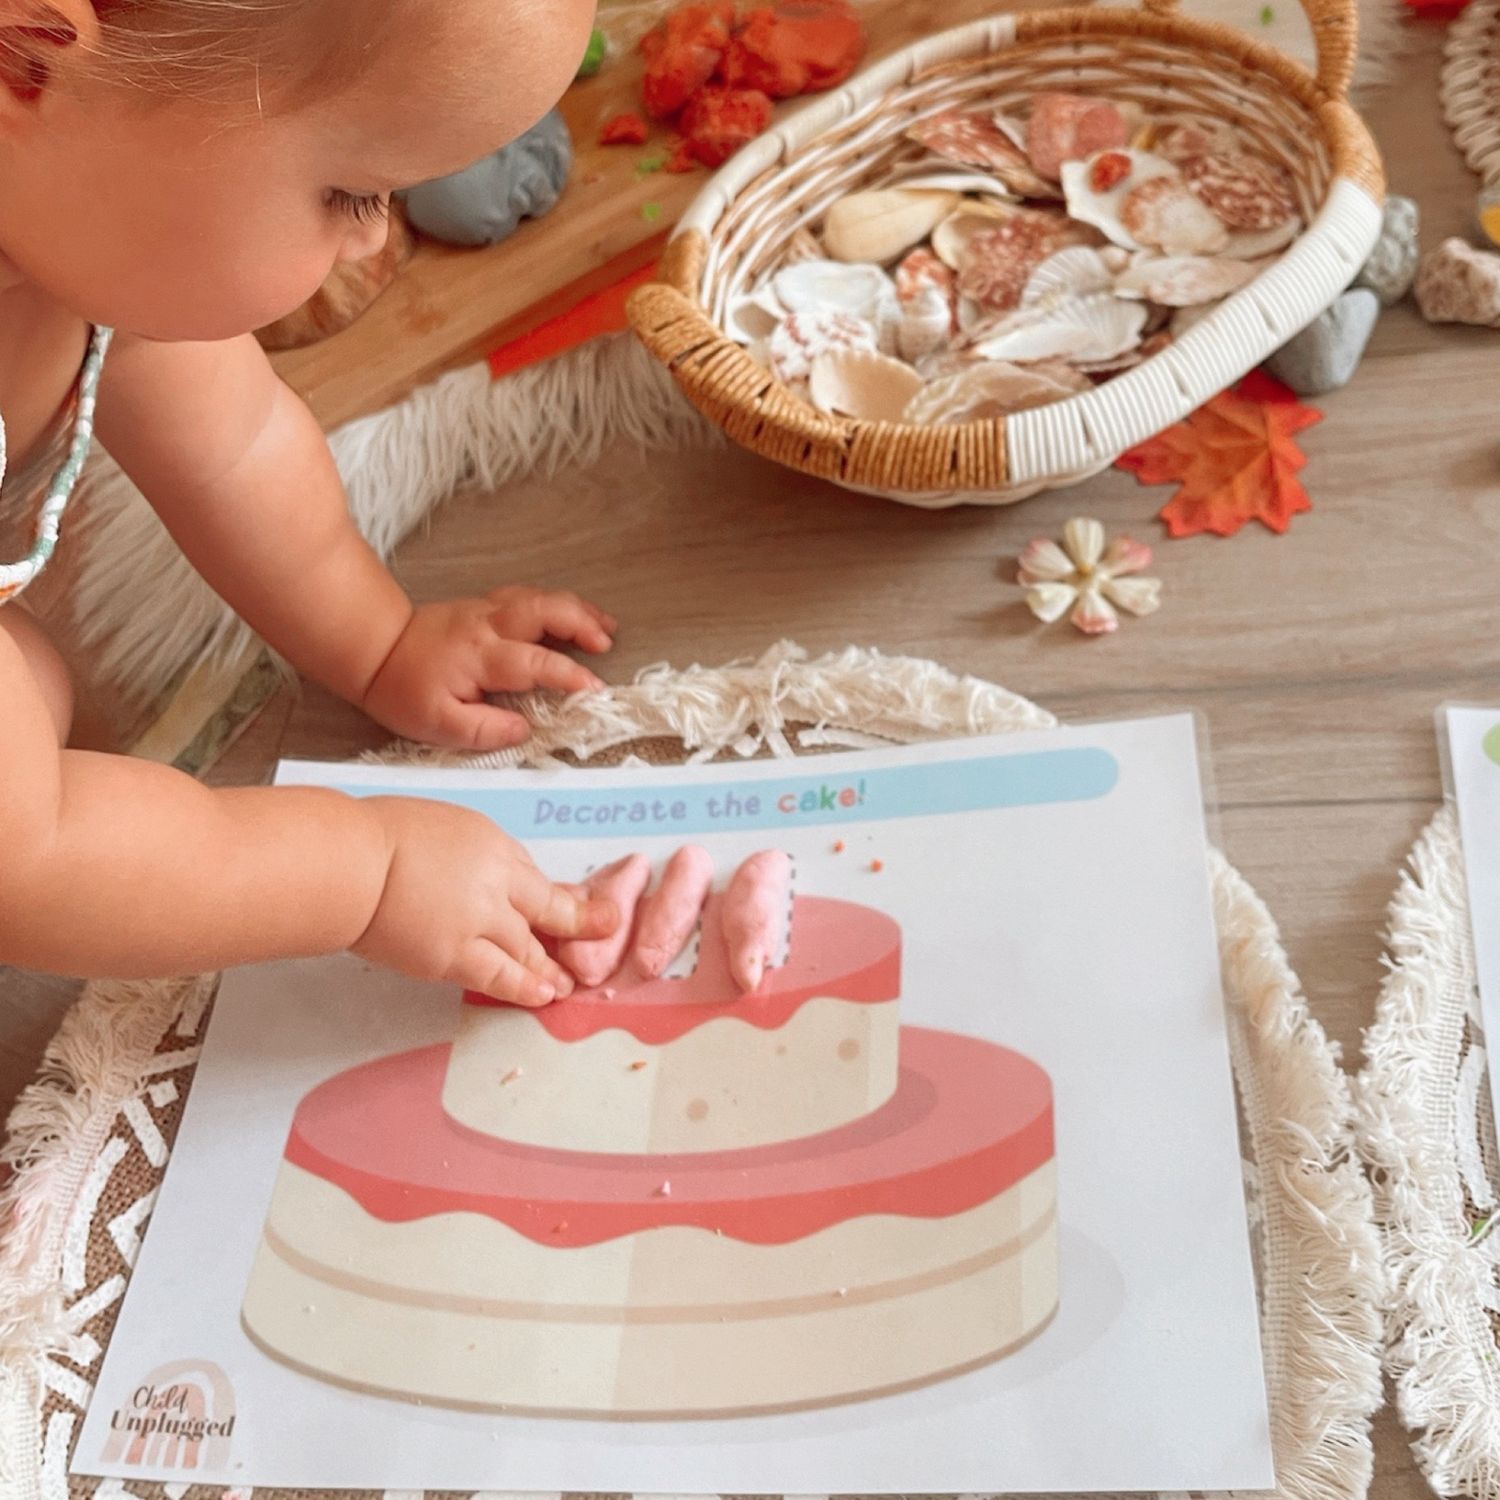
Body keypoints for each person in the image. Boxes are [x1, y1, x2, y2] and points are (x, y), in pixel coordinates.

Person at [0, 0, 621, 1005]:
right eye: (349, 193)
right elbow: (25, 859)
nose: (371, 246)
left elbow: (235, 446)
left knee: (34, 685)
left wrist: (380, 642)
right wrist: (365, 874)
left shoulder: (85, 211)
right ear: (28, 57)